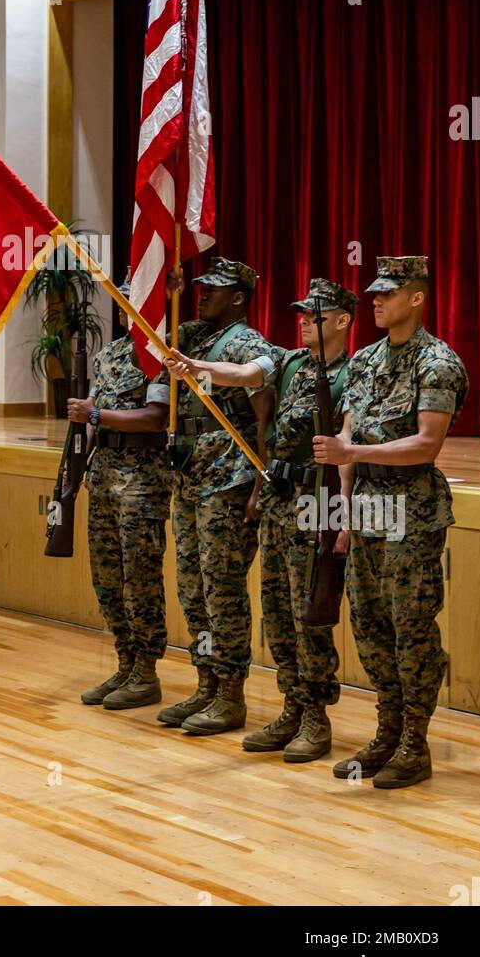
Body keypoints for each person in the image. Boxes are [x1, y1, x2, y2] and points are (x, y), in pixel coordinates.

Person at [313, 256, 468, 789]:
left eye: (388, 293)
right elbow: (347, 446)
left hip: (412, 513)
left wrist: (350, 448)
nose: (375, 301)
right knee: (372, 630)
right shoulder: (364, 361)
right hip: (367, 510)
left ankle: (414, 743)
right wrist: (342, 513)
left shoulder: (437, 362)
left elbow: (426, 445)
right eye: (373, 294)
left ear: (418, 298)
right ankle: (387, 731)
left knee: (412, 630)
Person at [240, 278, 358, 762]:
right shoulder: (290, 363)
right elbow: (243, 377)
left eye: (316, 314)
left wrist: (343, 513)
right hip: (281, 500)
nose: (305, 321)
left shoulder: (353, 373)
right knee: (277, 610)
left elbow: (347, 450)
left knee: (310, 612)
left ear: (343, 321)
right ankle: (291, 706)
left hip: (318, 500)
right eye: (303, 313)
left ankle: (316, 717)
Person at [158, 258, 278, 735]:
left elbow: (260, 396)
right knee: (192, 587)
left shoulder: (246, 341)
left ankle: (231, 694)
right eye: (201, 286)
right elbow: (147, 334)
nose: (203, 293)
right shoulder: (190, 334)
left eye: (215, 289)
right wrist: (162, 291)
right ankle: (206, 682)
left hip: (229, 478)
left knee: (221, 587)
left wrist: (259, 482)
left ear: (239, 298)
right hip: (191, 474)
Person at [67, 271, 173, 710]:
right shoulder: (110, 355)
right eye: (125, 301)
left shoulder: (160, 357)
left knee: (140, 579)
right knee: (108, 578)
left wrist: (96, 415)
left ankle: (146, 672)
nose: (130, 308)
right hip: (105, 476)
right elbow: (93, 420)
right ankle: (125, 662)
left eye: (137, 300)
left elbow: (156, 417)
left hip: (142, 481)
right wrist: (72, 475)